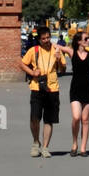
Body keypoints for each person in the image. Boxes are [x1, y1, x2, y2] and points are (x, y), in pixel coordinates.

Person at [19, 26, 66, 158]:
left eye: (48, 37)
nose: (46, 40)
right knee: (34, 118)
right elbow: (22, 64)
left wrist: (58, 60)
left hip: (53, 88)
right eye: (43, 38)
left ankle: (45, 147)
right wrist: (32, 72)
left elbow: (62, 70)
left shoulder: (56, 50)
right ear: (39, 40)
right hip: (37, 87)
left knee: (49, 120)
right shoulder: (33, 51)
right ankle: (35, 142)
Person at [60, 30, 89, 156]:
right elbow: (57, 46)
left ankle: (83, 148)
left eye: (88, 39)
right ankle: (74, 143)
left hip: (88, 88)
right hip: (75, 88)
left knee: (85, 120)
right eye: (86, 39)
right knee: (76, 117)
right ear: (79, 41)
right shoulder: (72, 52)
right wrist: (56, 51)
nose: (88, 41)